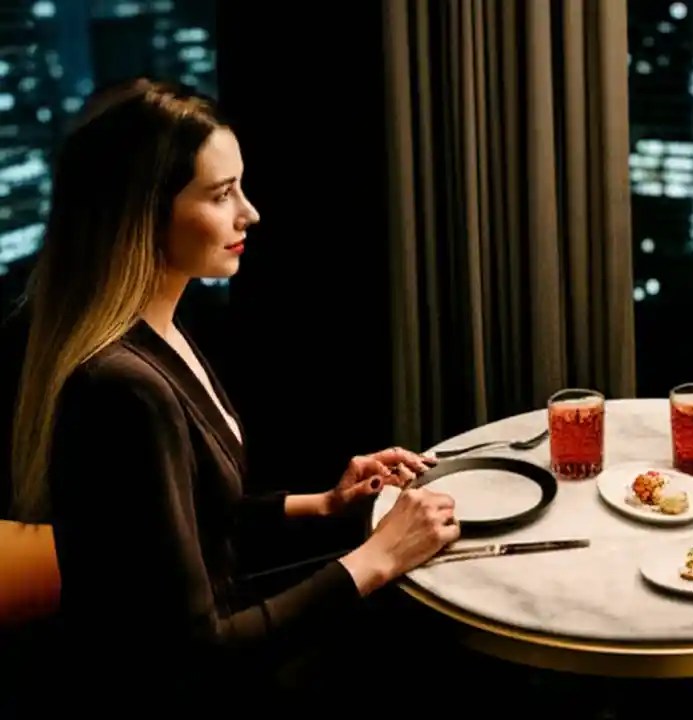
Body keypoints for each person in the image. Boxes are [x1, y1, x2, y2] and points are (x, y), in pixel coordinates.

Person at [6, 78, 461, 706]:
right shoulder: (123, 391)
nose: (249, 212)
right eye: (222, 194)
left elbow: (184, 528)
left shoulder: (159, 333)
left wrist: (325, 505)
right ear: (144, 212)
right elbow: (198, 655)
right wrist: (377, 558)